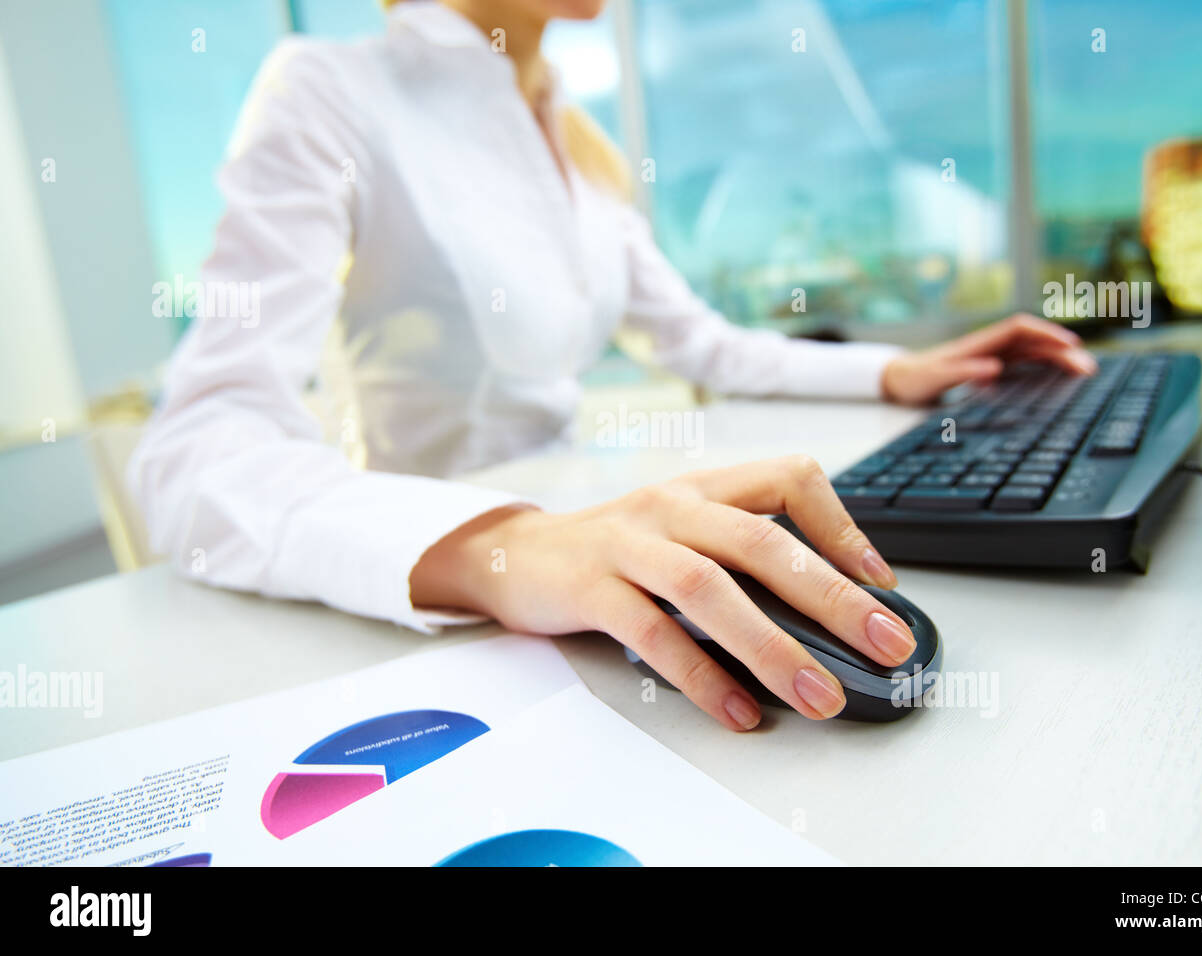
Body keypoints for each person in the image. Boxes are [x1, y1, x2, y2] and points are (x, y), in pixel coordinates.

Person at [129, 0, 1096, 731]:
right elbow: (198, 447)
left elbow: (702, 343)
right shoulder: (328, 89)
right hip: (419, 582)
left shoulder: (575, 139)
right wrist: (500, 547)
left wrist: (903, 372)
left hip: (584, 532)